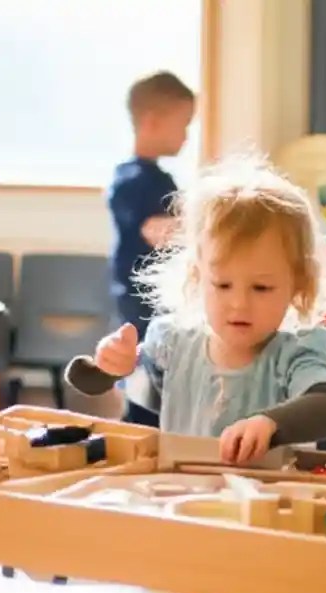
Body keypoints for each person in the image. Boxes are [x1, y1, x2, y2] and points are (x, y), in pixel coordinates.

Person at [67, 157, 326, 465]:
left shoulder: (294, 353)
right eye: (222, 285)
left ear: (298, 285)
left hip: (261, 505)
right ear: (197, 277)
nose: (239, 304)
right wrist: (108, 366)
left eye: (261, 288)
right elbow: (98, 386)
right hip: (179, 500)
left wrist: (269, 423)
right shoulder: (172, 344)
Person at [107, 70, 196, 428]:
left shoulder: (162, 178)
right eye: (183, 124)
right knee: (145, 379)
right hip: (140, 298)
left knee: (162, 377)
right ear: (153, 121)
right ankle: (139, 433)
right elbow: (154, 229)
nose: (187, 135)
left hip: (160, 299)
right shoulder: (131, 181)